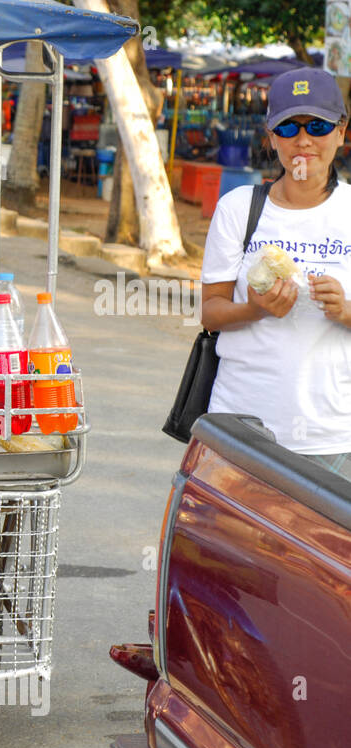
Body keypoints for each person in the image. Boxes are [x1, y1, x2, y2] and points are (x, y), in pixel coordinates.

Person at [200, 68, 351, 476]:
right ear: (270, 137)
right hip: (240, 428)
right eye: (288, 127)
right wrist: (255, 310)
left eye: (318, 126)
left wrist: (346, 311)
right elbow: (210, 312)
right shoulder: (238, 208)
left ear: (341, 130)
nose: (303, 141)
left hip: (332, 437)